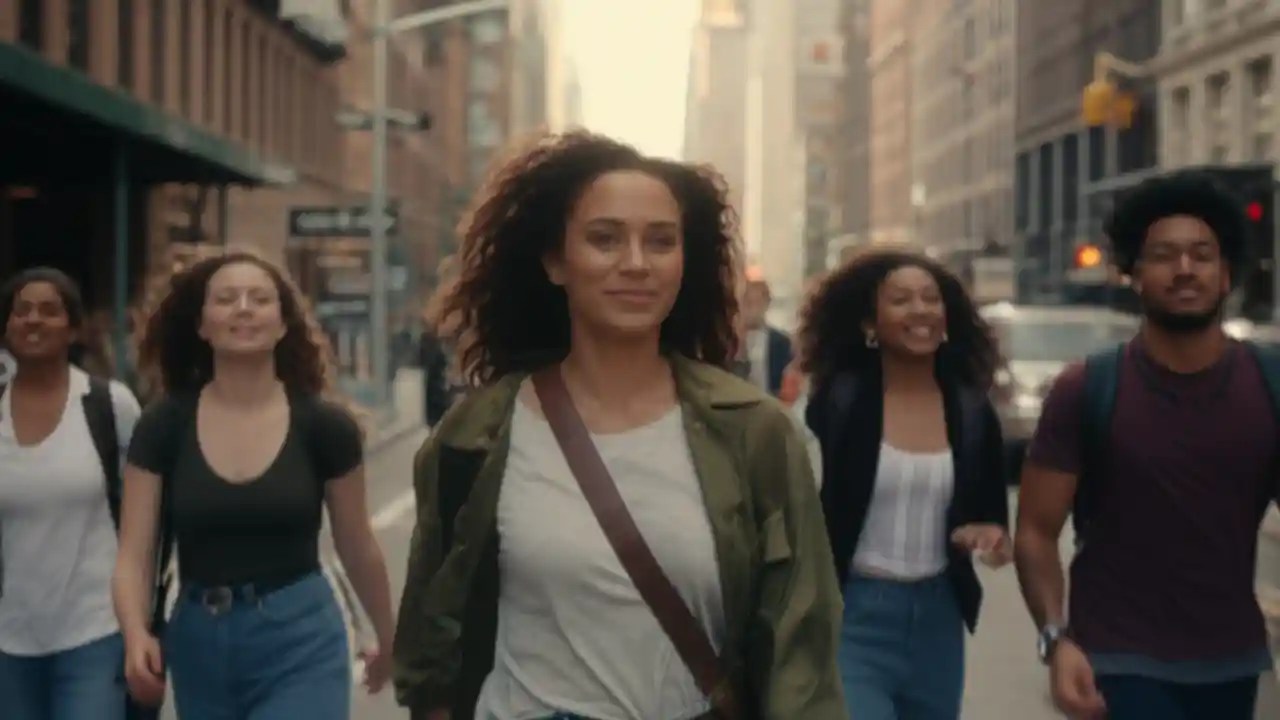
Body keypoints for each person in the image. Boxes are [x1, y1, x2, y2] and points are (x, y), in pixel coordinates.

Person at [391, 130, 846, 720]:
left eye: (660, 242)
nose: (635, 263)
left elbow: (800, 645)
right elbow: (434, 647)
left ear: (685, 262)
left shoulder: (755, 432)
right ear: (555, 261)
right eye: (604, 239)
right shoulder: (475, 436)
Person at [1016, 171, 1277, 720]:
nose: (1185, 269)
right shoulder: (1086, 388)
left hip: (1232, 662)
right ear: (1132, 273)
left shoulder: (1269, 383)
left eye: (1201, 255)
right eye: (1164, 255)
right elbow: (1037, 532)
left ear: (1226, 273)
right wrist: (1055, 639)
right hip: (1116, 662)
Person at [112, 250, 397, 719]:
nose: (243, 308)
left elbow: (358, 543)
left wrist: (387, 636)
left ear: (283, 323)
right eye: (226, 299)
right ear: (202, 325)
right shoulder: (164, 425)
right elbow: (133, 555)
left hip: (300, 635)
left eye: (259, 298)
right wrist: (135, 632)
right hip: (199, 641)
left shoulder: (325, 427)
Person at [800, 247, 1011, 720]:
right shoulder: (839, 403)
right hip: (852, 613)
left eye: (930, 298)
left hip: (938, 618)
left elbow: (993, 523)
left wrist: (990, 538)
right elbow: (802, 509)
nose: (919, 310)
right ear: (870, 324)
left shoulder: (972, 411)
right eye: (900, 300)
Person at [0, 268, 142, 720]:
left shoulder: (110, 406)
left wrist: (141, 625)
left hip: (95, 631)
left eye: (49, 310)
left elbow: (145, 520)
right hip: (8, 639)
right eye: (21, 311)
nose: (33, 320)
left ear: (74, 328)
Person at [737, 273, 793, 396]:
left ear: (766, 304)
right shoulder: (731, 341)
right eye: (748, 303)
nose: (753, 309)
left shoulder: (782, 342)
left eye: (758, 302)